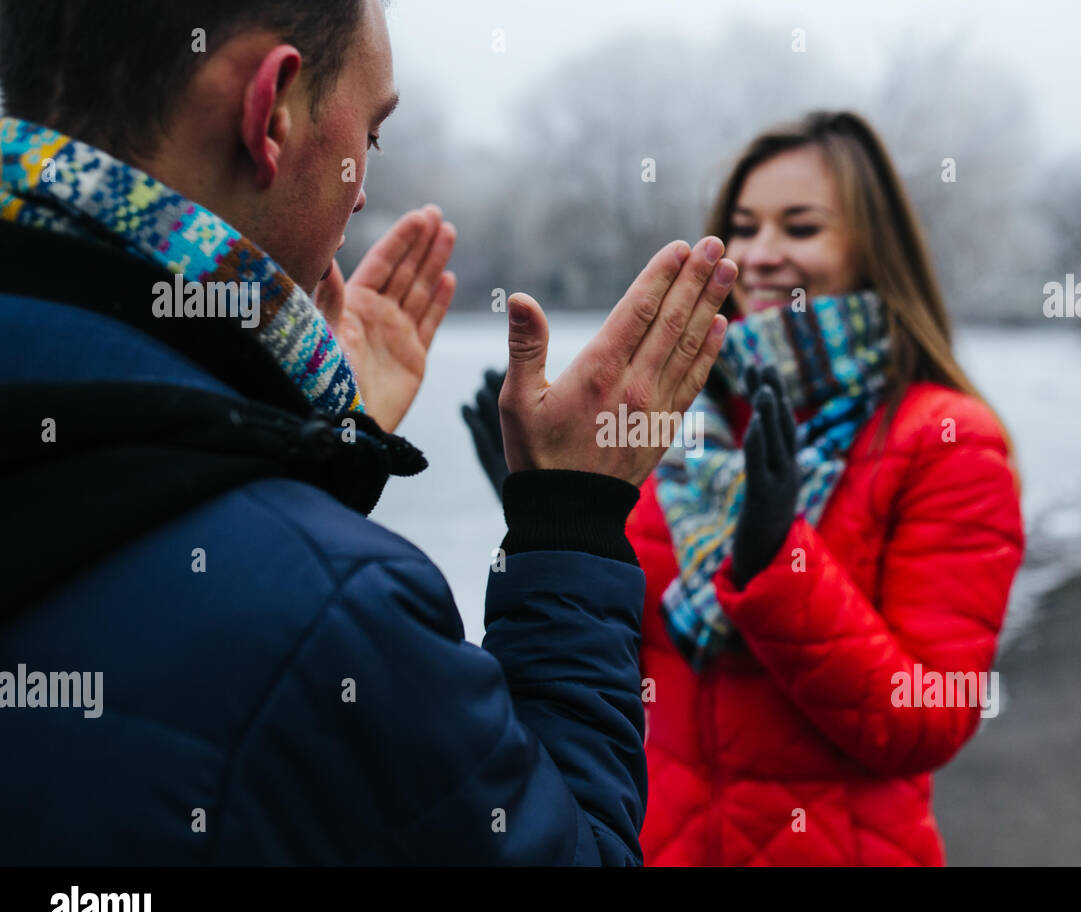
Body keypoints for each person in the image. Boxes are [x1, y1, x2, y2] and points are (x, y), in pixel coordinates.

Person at [0, 0, 737, 865]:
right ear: (270, 111)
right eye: (373, 137)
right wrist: (570, 524)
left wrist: (306, 449)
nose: (364, 191)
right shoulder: (337, 618)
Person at [467, 110, 1026, 865]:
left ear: (874, 245)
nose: (763, 255)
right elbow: (604, 678)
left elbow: (928, 718)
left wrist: (780, 568)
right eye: (744, 226)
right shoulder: (675, 426)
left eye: (800, 228)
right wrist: (554, 519)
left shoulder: (946, 439)